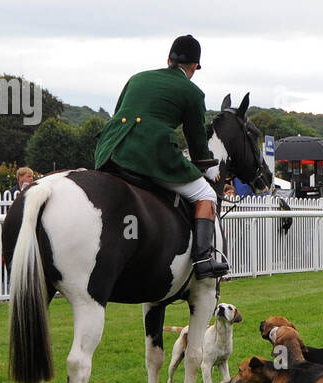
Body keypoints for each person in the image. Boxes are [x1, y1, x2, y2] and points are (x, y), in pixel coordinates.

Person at [94, 34, 226, 279]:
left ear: (169, 59)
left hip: (110, 149)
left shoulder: (137, 78)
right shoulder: (193, 92)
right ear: (195, 67)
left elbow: (118, 113)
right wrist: (207, 168)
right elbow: (197, 143)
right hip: (150, 154)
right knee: (206, 194)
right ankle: (204, 260)